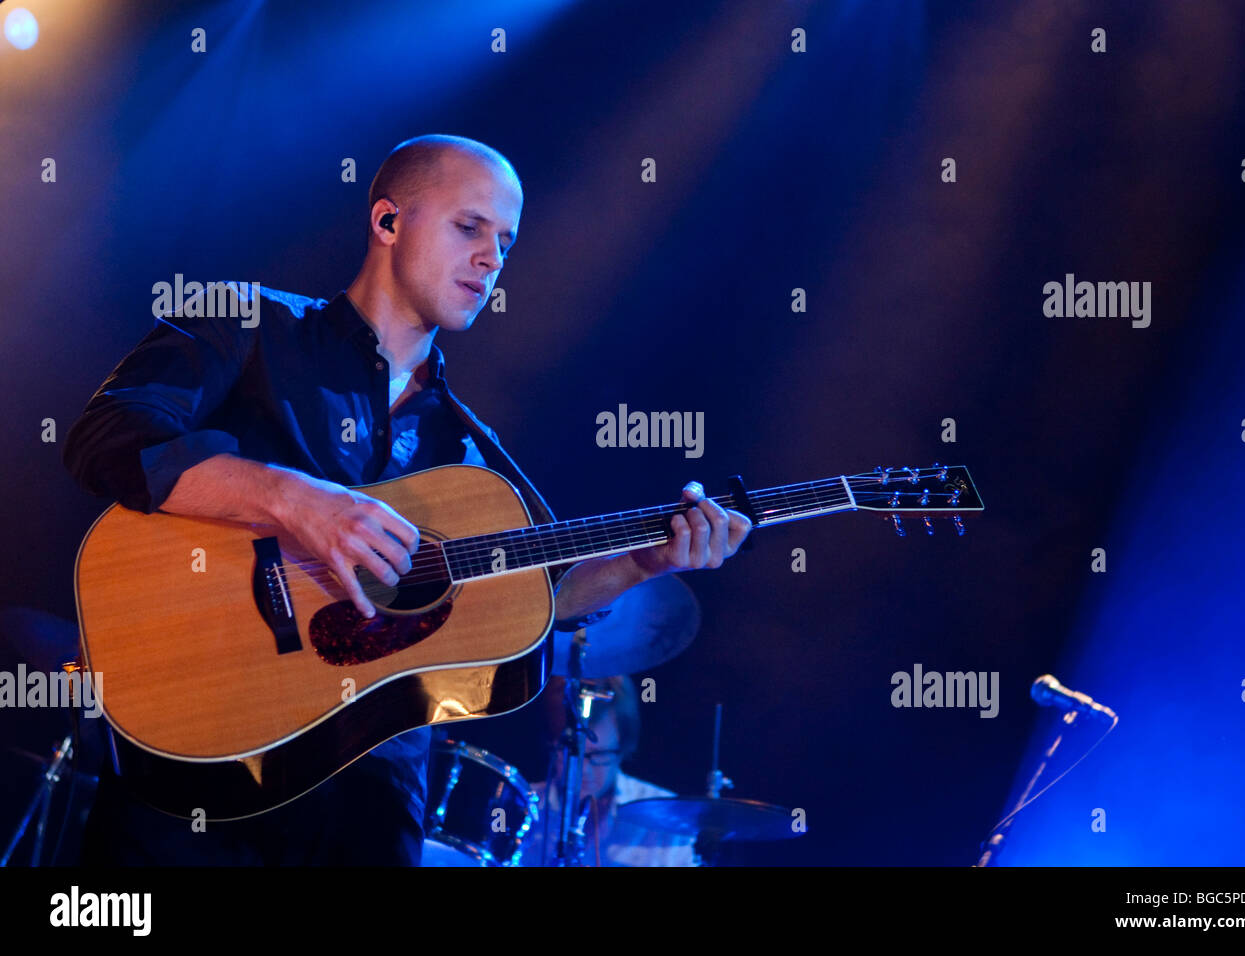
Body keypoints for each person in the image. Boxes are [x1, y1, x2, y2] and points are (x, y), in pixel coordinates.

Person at [63, 134, 752, 865]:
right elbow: (108, 433)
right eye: (470, 227)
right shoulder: (248, 324)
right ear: (388, 222)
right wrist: (293, 499)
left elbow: (547, 591)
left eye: (507, 242)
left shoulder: (471, 450)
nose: (492, 258)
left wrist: (645, 560)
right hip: (195, 760)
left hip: (367, 796)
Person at [525, 676, 697, 867]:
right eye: (570, 753)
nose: (583, 770)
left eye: (598, 755)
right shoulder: (519, 808)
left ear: (622, 748)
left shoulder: (671, 818)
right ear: (550, 744)